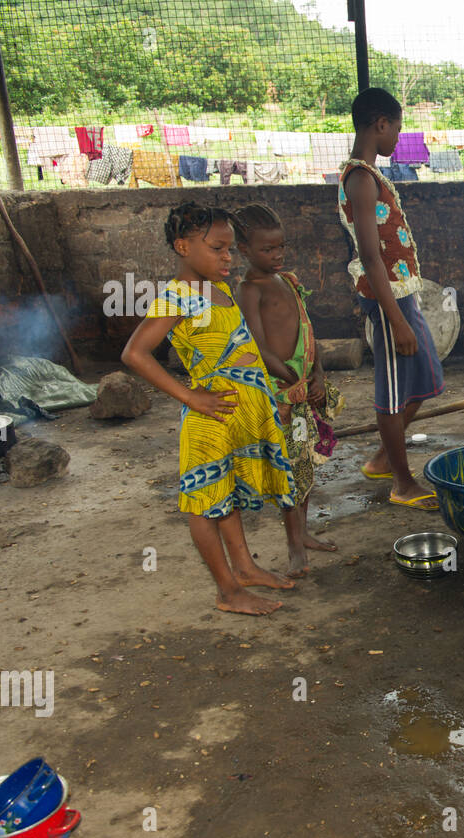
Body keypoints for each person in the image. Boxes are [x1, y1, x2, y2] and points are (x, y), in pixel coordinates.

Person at [122, 202, 296, 616]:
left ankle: (245, 568)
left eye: (231, 249)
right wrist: (190, 396)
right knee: (205, 505)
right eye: (217, 248)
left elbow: (243, 349)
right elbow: (135, 353)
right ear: (183, 247)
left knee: (227, 497)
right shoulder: (178, 296)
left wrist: (269, 395)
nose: (227, 257)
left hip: (236, 415)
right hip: (209, 422)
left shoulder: (216, 291)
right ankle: (227, 590)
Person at [340, 87, 444, 509]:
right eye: (396, 130)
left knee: (427, 378)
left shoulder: (368, 173)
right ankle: (402, 483)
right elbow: (369, 256)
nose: (398, 140)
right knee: (396, 390)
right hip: (388, 303)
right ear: (380, 123)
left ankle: (385, 456)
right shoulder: (361, 178)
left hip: (401, 295)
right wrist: (396, 320)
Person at [233, 202, 345, 577]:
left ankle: (304, 533)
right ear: (244, 250)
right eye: (267, 249)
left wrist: (316, 375)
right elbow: (258, 348)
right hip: (282, 394)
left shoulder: (288, 281)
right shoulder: (249, 290)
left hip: (304, 388)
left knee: (305, 462)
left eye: (281, 246)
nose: (277, 254)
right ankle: (294, 547)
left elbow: (307, 332)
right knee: (288, 469)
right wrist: (295, 382)